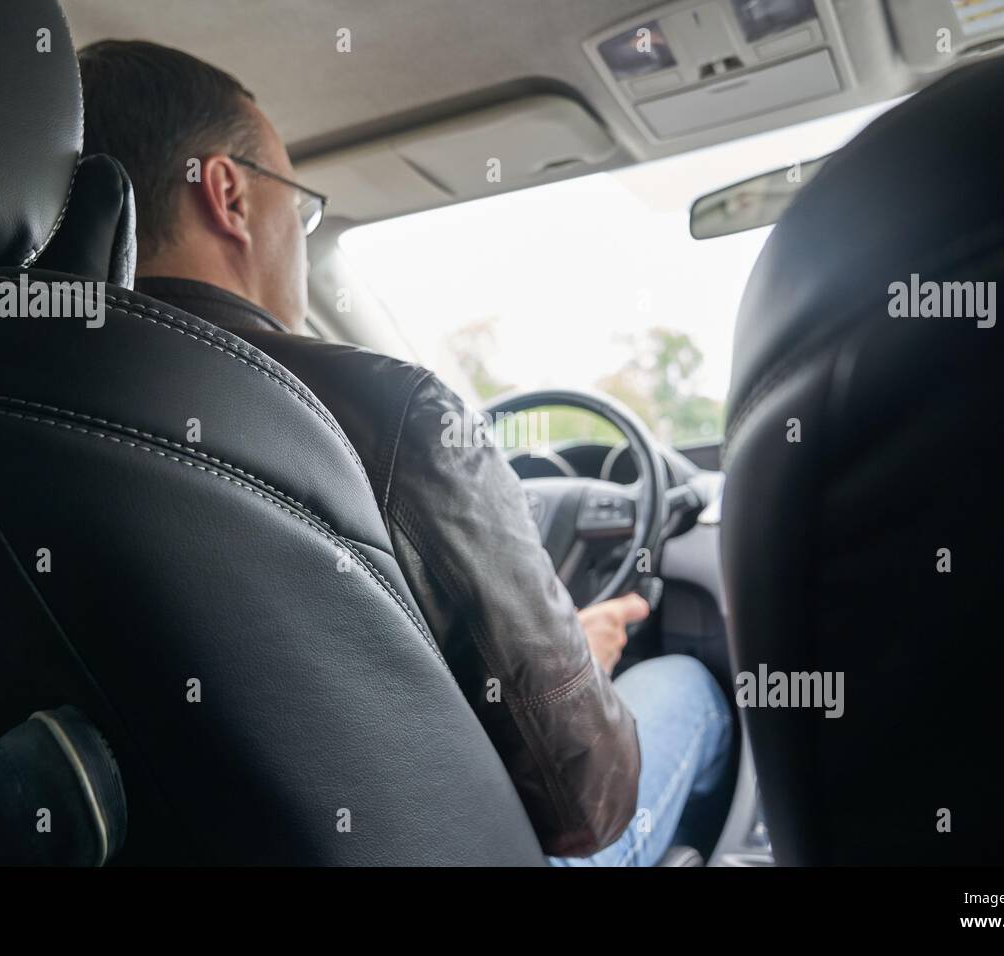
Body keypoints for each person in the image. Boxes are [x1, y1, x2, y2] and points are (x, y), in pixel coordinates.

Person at [78, 40, 733, 865]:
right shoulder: (398, 417)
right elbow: (589, 801)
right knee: (693, 692)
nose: (300, 232)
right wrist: (573, 670)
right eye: (302, 204)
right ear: (229, 194)